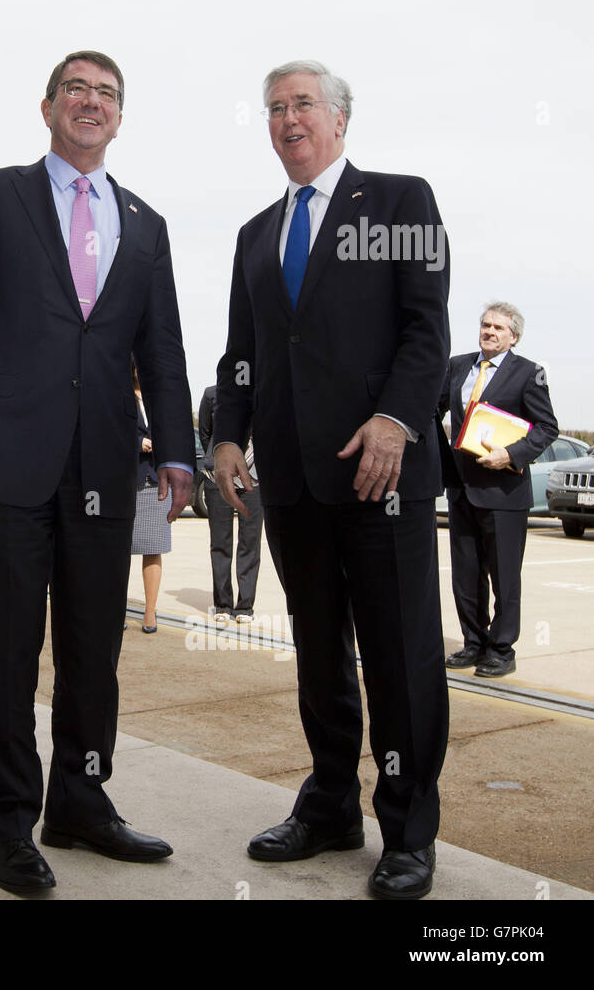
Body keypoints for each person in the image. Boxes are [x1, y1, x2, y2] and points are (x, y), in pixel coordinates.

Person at [0, 51, 193, 896]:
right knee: (7, 651)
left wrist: (176, 448)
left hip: (103, 464)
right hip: (4, 463)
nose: (91, 104)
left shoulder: (147, 222)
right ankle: (9, 822)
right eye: (77, 91)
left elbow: (160, 348)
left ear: (120, 118)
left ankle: (83, 803)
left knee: (94, 651)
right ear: (48, 107)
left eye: (107, 95)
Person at [213, 60, 450, 899]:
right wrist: (227, 436)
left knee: (399, 654)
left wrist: (395, 419)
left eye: (303, 103)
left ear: (341, 118)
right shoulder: (254, 234)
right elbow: (242, 354)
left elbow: (427, 331)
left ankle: (408, 828)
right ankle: (329, 805)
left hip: (378, 473)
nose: (288, 119)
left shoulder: (398, 202)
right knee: (319, 652)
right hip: (292, 480)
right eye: (274, 107)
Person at [438, 302, 557, 678]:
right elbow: (433, 409)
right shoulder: (457, 366)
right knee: (465, 573)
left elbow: (546, 427)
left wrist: (511, 454)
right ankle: (473, 643)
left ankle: (502, 649)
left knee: (504, 576)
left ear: (514, 337)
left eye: (499, 328)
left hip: (504, 492)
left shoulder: (528, 373)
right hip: (461, 488)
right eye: (486, 325)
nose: (490, 331)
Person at [197, 383, 261, 623]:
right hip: (218, 476)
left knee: (250, 542)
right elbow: (205, 433)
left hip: (255, 476)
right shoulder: (212, 394)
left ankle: (245, 606)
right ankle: (222, 604)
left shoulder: (260, 391)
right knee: (220, 541)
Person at [130, 364, 170, 633]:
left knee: (153, 547)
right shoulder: (117, 391)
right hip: (126, 479)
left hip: (156, 481)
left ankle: (150, 612)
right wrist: (138, 442)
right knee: (118, 549)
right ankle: (115, 608)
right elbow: (107, 426)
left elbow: (173, 429)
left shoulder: (159, 395)